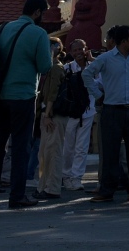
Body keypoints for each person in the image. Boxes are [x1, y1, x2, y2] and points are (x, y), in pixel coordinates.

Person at [0, 0, 54, 210]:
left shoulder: (4, 28)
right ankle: (17, 195)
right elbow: (44, 66)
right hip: (23, 96)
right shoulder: (38, 33)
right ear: (37, 12)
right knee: (21, 147)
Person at [84, 25, 129, 203]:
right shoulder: (106, 59)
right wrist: (98, 95)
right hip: (111, 110)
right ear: (123, 42)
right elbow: (87, 74)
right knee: (110, 153)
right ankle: (107, 190)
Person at [35, 40, 71, 200]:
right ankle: (42, 186)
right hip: (47, 114)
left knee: (53, 152)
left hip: (53, 114)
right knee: (43, 154)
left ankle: (52, 188)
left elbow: (52, 93)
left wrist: (48, 114)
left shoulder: (56, 68)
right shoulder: (48, 67)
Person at [62, 37, 98, 192]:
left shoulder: (94, 67)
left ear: (86, 49)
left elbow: (102, 81)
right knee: (68, 146)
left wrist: (93, 61)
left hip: (88, 111)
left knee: (82, 147)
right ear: (70, 52)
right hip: (71, 112)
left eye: (80, 49)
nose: (78, 52)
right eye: (75, 50)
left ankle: (76, 177)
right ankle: (66, 175)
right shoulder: (67, 68)